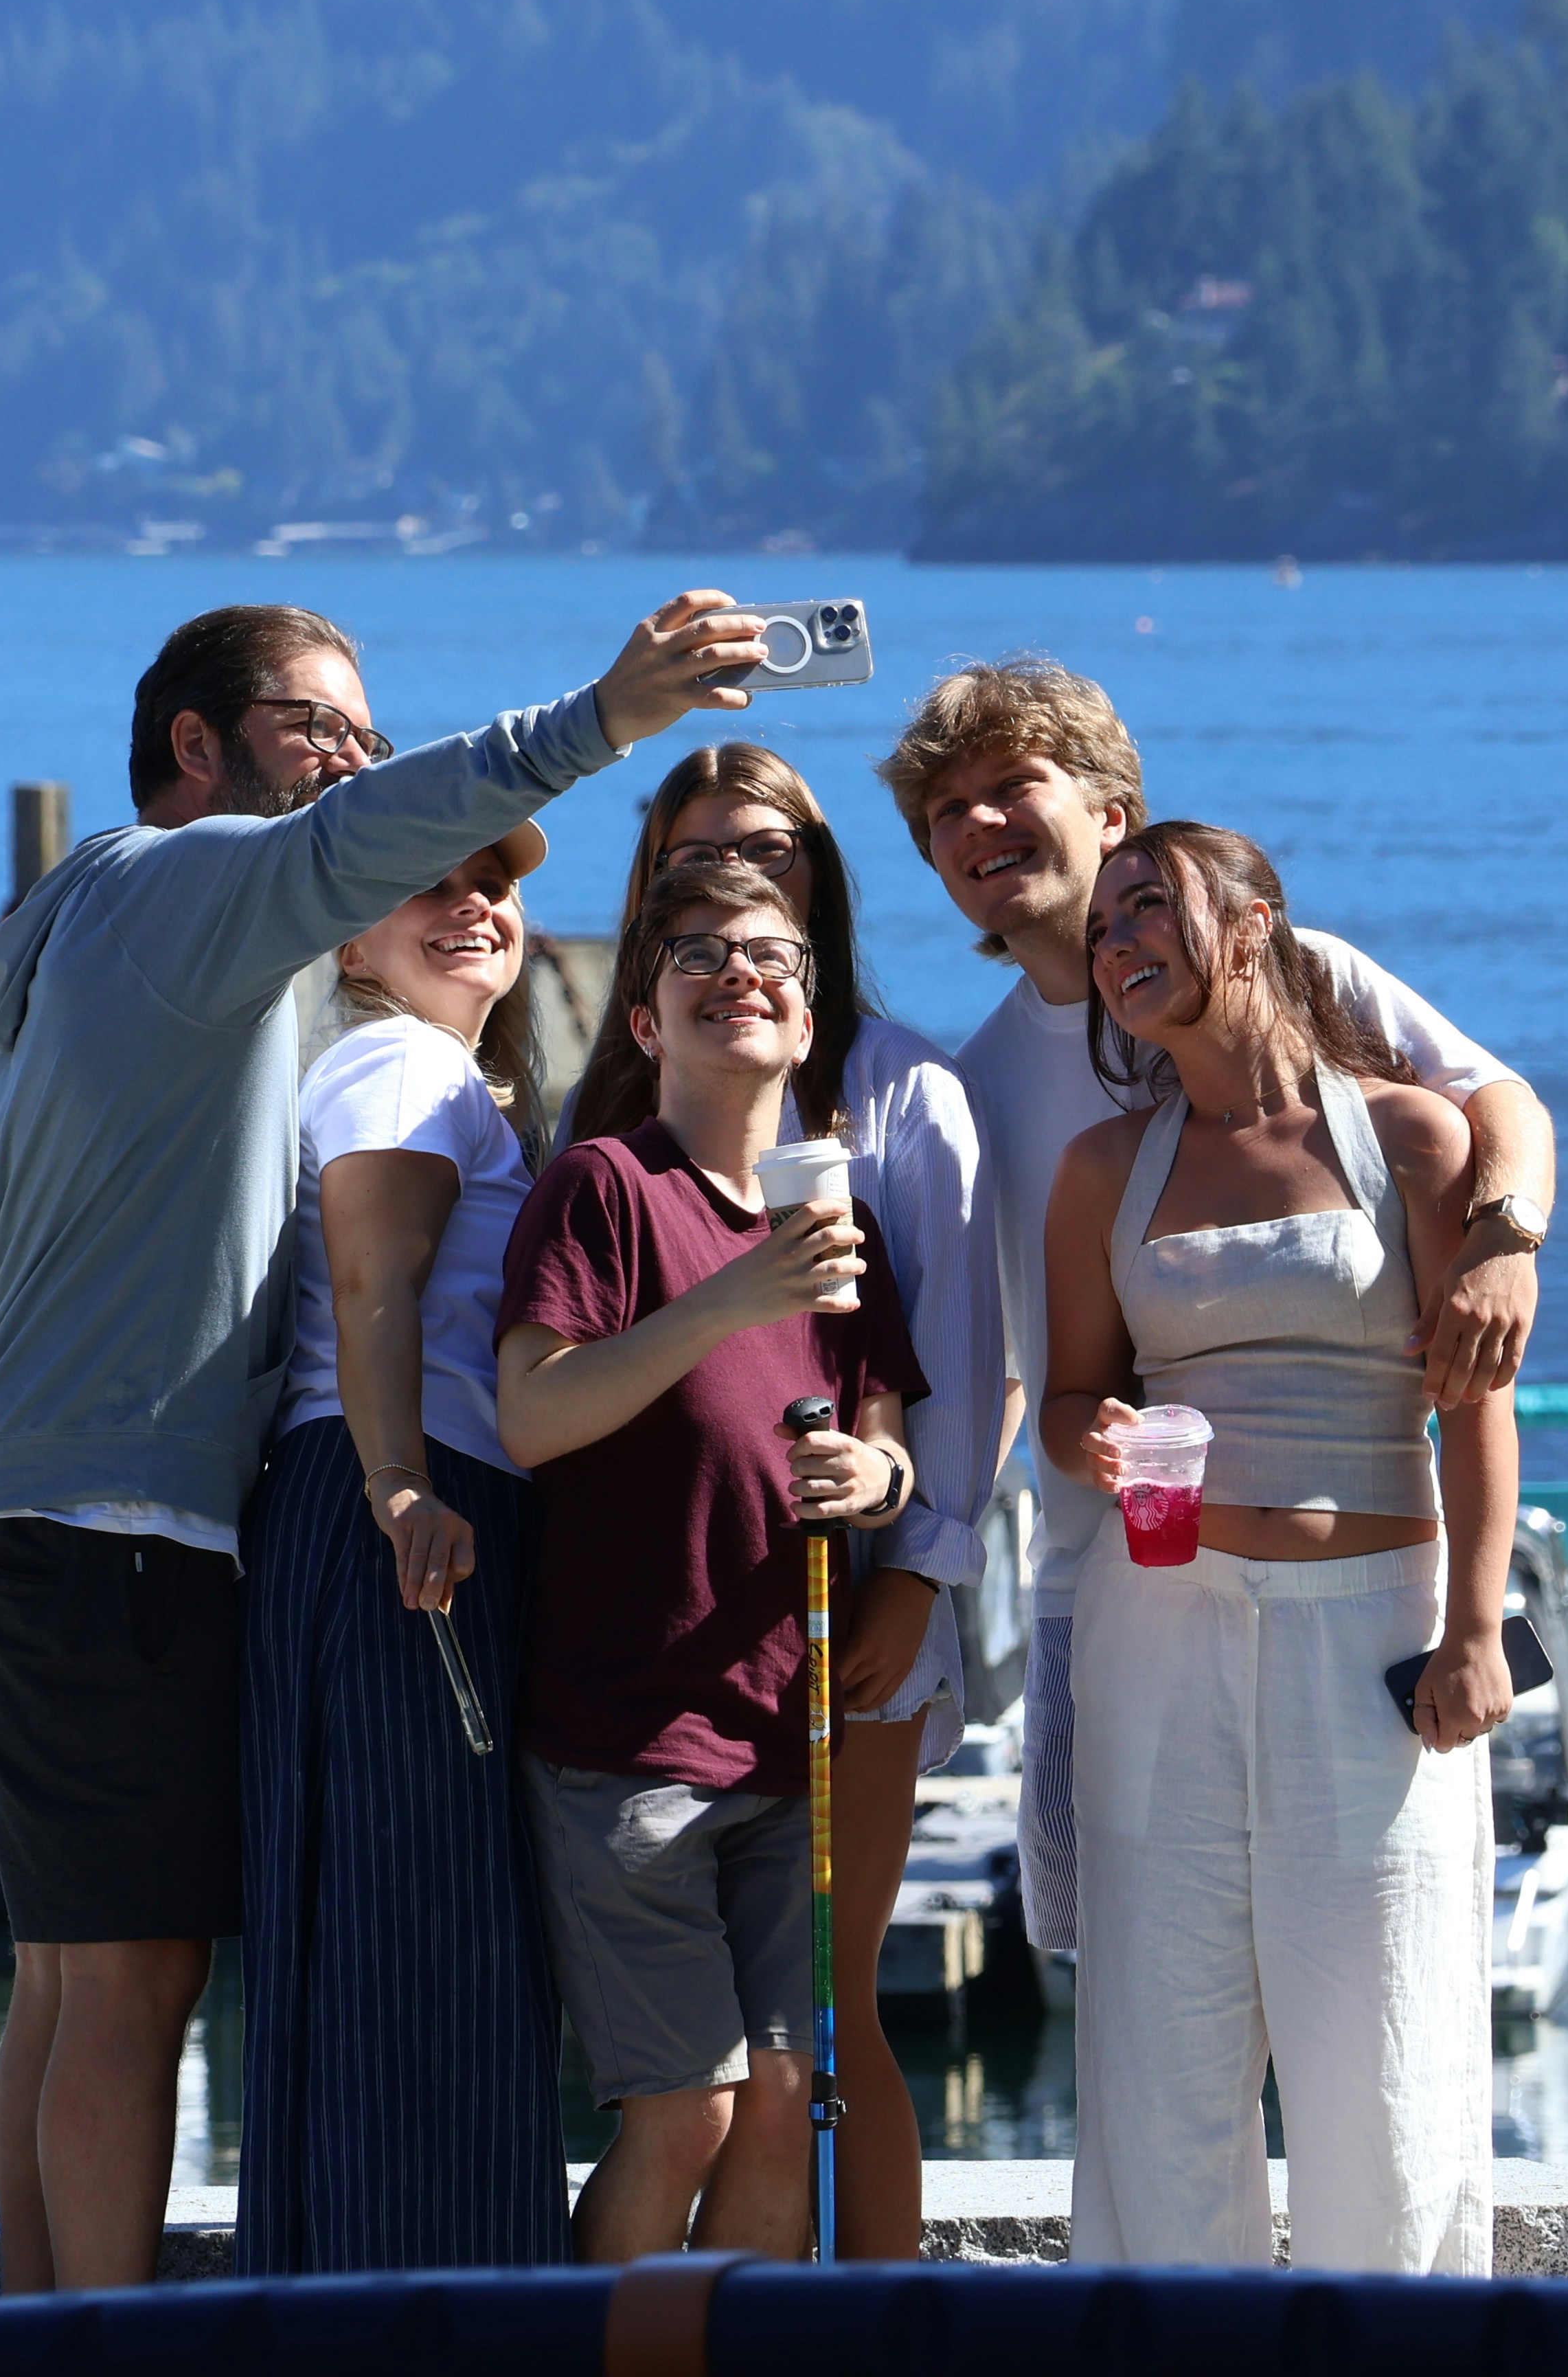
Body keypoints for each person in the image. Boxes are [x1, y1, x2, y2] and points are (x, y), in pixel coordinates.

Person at [0, 587, 766, 2292]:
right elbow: (372, 849)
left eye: (368, 741)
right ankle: (99, 2340)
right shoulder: (189, 883)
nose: (358, 769)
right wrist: (608, 707)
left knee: (66, 1970)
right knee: (139, 1973)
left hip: (18, 1491)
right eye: (325, 729)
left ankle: (38, 2317)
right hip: (121, 1512)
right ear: (199, 745)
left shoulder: (85, 931)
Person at [872, 659, 1557, 1968]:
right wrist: (937, 1556)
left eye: (1014, 784)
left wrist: (1504, 1241)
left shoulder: (1295, 976)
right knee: (1140, 2004)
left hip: (1350, 1587)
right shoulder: (973, 1091)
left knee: (1358, 1993)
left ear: (1113, 807)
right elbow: (998, 1362)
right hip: (1105, 1592)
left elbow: (1499, 1104)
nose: (977, 826)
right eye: (944, 813)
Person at [1040, 821, 1519, 2271]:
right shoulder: (1101, 1167)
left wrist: (1479, 1626)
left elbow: (1484, 1405)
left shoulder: (1409, 1137)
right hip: (1160, 1628)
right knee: (1162, 2063)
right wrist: (1095, 1442)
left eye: (1150, 907)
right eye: (1104, 926)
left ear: (1252, 925)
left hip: (1375, 1630)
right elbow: (1069, 1395)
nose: (1119, 939)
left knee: (1386, 2047)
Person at [563, 745, 997, 2260]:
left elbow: (952, 1365)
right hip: (661, 1667)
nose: (744, 884)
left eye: (776, 850)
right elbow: (569, 1376)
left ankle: (863, 2314)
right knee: (713, 2077)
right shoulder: (614, 1118)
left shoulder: (899, 1088)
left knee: (824, 2021)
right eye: (700, 863)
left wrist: (917, 1567)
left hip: (844, 1622)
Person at [496, 855, 928, 2264]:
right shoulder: (604, 1187)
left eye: (774, 959)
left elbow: (882, 1440)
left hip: (786, 1737)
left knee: (789, 2093)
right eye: (699, 955)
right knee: (685, 2105)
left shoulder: (838, 1234)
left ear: (809, 1024)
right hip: (629, 1738)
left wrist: (878, 1477)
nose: (740, 971)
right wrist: (730, 1297)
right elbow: (536, 1412)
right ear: (643, 1021)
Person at [237, 826, 564, 2271]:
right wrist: (399, 1483)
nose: (474, 904)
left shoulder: (442, 1074)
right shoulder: (402, 1064)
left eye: (495, 883)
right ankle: (421, 2303)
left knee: (397, 1953)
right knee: (418, 1955)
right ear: (349, 941)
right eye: (430, 884)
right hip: (405, 1511)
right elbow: (373, 1274)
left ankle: (364, 2294)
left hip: (389, 1500)